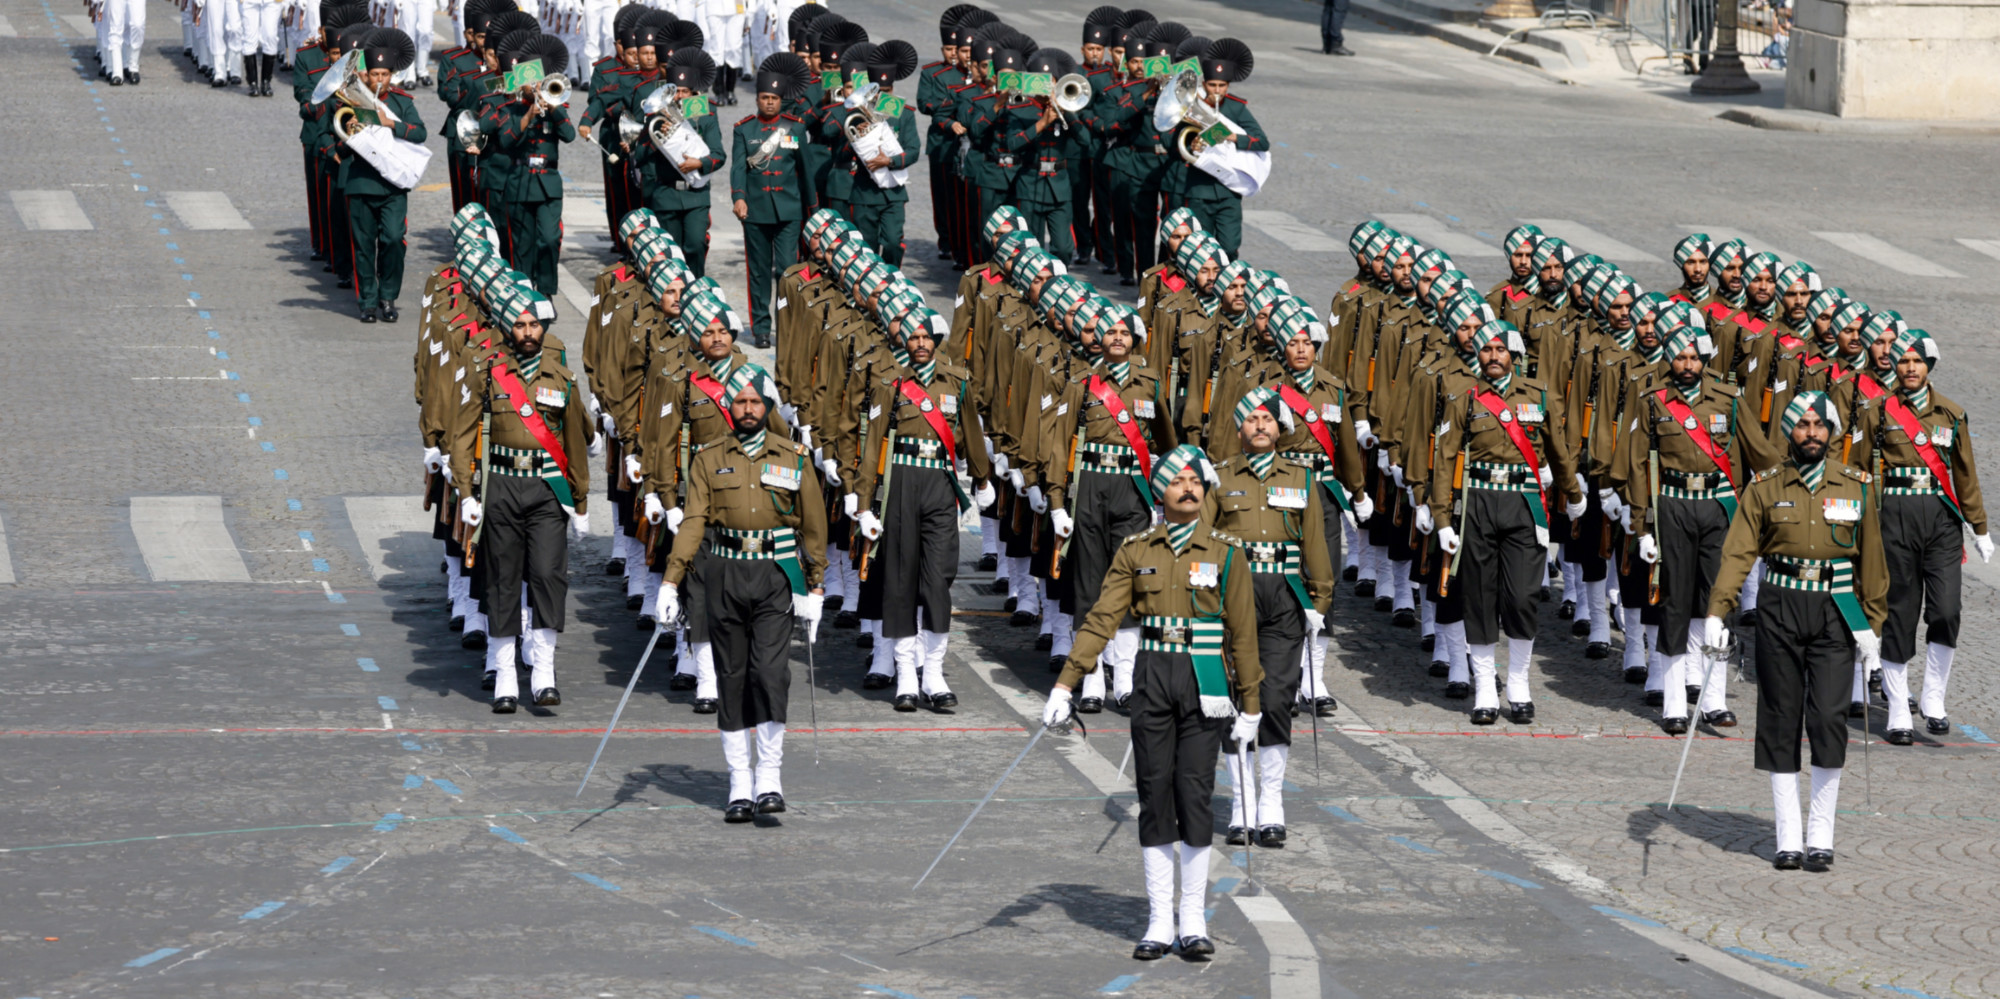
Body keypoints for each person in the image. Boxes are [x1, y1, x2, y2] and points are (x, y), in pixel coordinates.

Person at [1047, 445, 1262, 961]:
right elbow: (1102, 618)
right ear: (1159, 493)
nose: (1187, 488)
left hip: (1206, 681)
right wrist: (1064, 684)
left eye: (1195, 480)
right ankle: (1157, 920)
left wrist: (1251, 705)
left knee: (1194, 795)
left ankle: (1191, 918)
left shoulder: (1228, 552)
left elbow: (1243, 633)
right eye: (1176, 481)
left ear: (1204, 491)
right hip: (1153, 676)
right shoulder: (1135, 550)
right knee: (1153, 795)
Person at [1704, 392, 1886, 872]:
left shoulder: (1857, 485)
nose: (1811, 432)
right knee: (1781, 716)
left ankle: (1821, 834)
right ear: (1789, 433)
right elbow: (1738, 553)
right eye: (1802, 425)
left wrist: (1873, 628)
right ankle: (1788, 835)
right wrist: (1717, 612)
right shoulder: (1764, 487)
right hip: (1780, 608)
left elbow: (1873, 561)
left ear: (1832, 432)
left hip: (1835, 611)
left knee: (1828, 717)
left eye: (1819, 425)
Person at [659, 364, 827, 822]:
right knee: (731, 678)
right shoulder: (709, 457)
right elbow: (694, 521)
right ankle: (739, 782)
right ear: (729, 407)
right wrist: (671, 580)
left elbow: (813, 524)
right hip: (726, 574)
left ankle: (769, 778)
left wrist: (815, 585)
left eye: (756, 402)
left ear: (768, 407)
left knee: (771, 675)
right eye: (740, 402)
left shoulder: (793, 455)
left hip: (776, 578)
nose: (748, 409)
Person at [1617, 315, 1777, 733]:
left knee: (1716, 606)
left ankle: (1713, 699)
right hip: (1672, 507)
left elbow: (1759, 452)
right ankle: (1673, 703)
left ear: (1703, 358)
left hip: (1719, 509)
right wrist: (1642, 526)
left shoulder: (1727, 397)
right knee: (1673, 604)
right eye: (1680, 357)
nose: (1687, 364)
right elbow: (1636, 464)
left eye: (1693, 356)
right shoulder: (1652, 398)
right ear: (1670, 359)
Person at [1423, 320, 1585, 725]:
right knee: (1478, 598)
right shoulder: (1465, 397)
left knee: (1522, 597)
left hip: (1524, 504)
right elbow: (1444, 461)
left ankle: (1518, 681)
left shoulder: (1537, 396)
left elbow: (1559, 452)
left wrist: (1574, 494)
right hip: (1477, 505)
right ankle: (1483, 689)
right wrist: (1442, 516)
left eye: (1500, 350)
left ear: (1514, 355)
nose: (1492, 357)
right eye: (1485, 350)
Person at [449, 277, 594, 712]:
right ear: (507, 328)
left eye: (534, 324)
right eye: (520, 324)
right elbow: (462, 434)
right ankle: (506, 674)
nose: (528, 332)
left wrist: (581, 503)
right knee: (502, 580)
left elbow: (574, 444)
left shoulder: (561, 378)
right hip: (501, 487)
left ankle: (545, 670)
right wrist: (467, 493)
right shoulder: (488, 371)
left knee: (549, 575)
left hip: (548, 489)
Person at [1204, 388, 1334, 849]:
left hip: (1282, 595)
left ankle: (1271, 804)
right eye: (1251, 420)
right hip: (1233, 595)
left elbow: (1315, 542)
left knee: (1277, 697)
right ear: (1239, 430)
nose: (1260, 426)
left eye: (1268, 420)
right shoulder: (1218, 478)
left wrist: (1319, 603)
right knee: (1237, 696)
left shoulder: (1301, 479)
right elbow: (1203, 543)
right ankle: (1241, 806)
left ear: (1280, 429)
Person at [851, 302, 994, 711]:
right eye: (912, 338)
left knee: (938, 578)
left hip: (938, 485)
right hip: (899, 484)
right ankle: (907, 678)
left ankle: (933, 673)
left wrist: (982, 480)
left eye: (924, 338)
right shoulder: (890, 384)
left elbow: (971, 436)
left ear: (936, 341)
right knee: (898, 581)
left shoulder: (958, 382)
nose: (918, 344)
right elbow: (871, 449)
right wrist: (864, 503)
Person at [1851, 328, 1991, 743]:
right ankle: (1897, 708)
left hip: (1941, 522)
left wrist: (1979, 527)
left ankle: (1934, 697)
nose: (1909, 368)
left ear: (1929, 367)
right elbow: (1855, 470)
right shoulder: (1876, 410)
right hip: (1893, 519)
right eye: (1903, 360)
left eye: (1917, 361)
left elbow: (1964, 475)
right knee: (1899, 613)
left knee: (1946, 610)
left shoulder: (1951, 413)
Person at [341, 28, 428, 324]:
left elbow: (420, 133)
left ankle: (388, 296)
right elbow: (338, 135)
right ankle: (367, 301)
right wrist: (351, 126)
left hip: (393, 185)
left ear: (392, 75)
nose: (380, 80)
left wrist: (390, 122)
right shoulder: (352, 99)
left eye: (385, 75)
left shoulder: (403, 102)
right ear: (366, 75)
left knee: (392, 239)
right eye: (375, 74)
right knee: (364, 245)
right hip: (362, 181)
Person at [731, 53, 817, 349]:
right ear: (757, 98)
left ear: (782, 100)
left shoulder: (795, 128)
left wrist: (812, 211)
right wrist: (739, 198)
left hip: (789, 211)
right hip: (755, 211)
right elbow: (738, 168)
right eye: (765, 97)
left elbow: (805, 172)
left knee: (786, 270)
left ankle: (789, 325)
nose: (769, 102)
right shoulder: (744, 129)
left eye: (774, 98)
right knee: (757, 271)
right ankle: (761, 328)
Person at [825, 41, 920, 265]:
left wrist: (891, 161)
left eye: (888, 92)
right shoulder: (856, 114)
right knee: (865, 248)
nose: (883, 97)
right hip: (864, 192)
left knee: (893, 243)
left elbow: (914, 150)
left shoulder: (903, 113)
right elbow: (839, 155)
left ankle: (891, 277)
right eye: (880, 91)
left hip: (893, 193)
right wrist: (853, 138)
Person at [636, 46, 728, 277]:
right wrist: (656, 138)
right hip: (666, 195)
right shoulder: (655, 118)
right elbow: (640, 158)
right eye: (675, 92)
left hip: (695, 196)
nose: (679, 97)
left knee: (695, 245)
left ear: (693, 94)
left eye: (684, 92)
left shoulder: (705, 117)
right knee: (669, 252)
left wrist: (699, 163)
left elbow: (719, 155)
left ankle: (695, 288)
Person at [496, 35, 576, 297]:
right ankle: (524, 290)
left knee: (549, 239)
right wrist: (530, 113)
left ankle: (547, 290)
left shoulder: (555, 104)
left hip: (548, 182)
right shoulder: (512, 108)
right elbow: (507, 140)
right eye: (531, 82)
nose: (535, 87)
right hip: (520, 179)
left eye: (539, 82)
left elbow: (569, 135)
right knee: (522, 243)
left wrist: (552, 107)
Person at [1173, 38, 1266, 258]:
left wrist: (1230, 136)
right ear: (1204, 84)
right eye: (1212, 85)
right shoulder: (1192, 107)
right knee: (1201, 249)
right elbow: (1177, 142)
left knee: (1229, 247)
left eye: (1222, 86)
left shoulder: (1236, 108)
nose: (1217, 91)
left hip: (1229, 190)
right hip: (1199, 187)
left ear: (1228, 86)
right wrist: (1193, 145)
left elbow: (1261, 141)